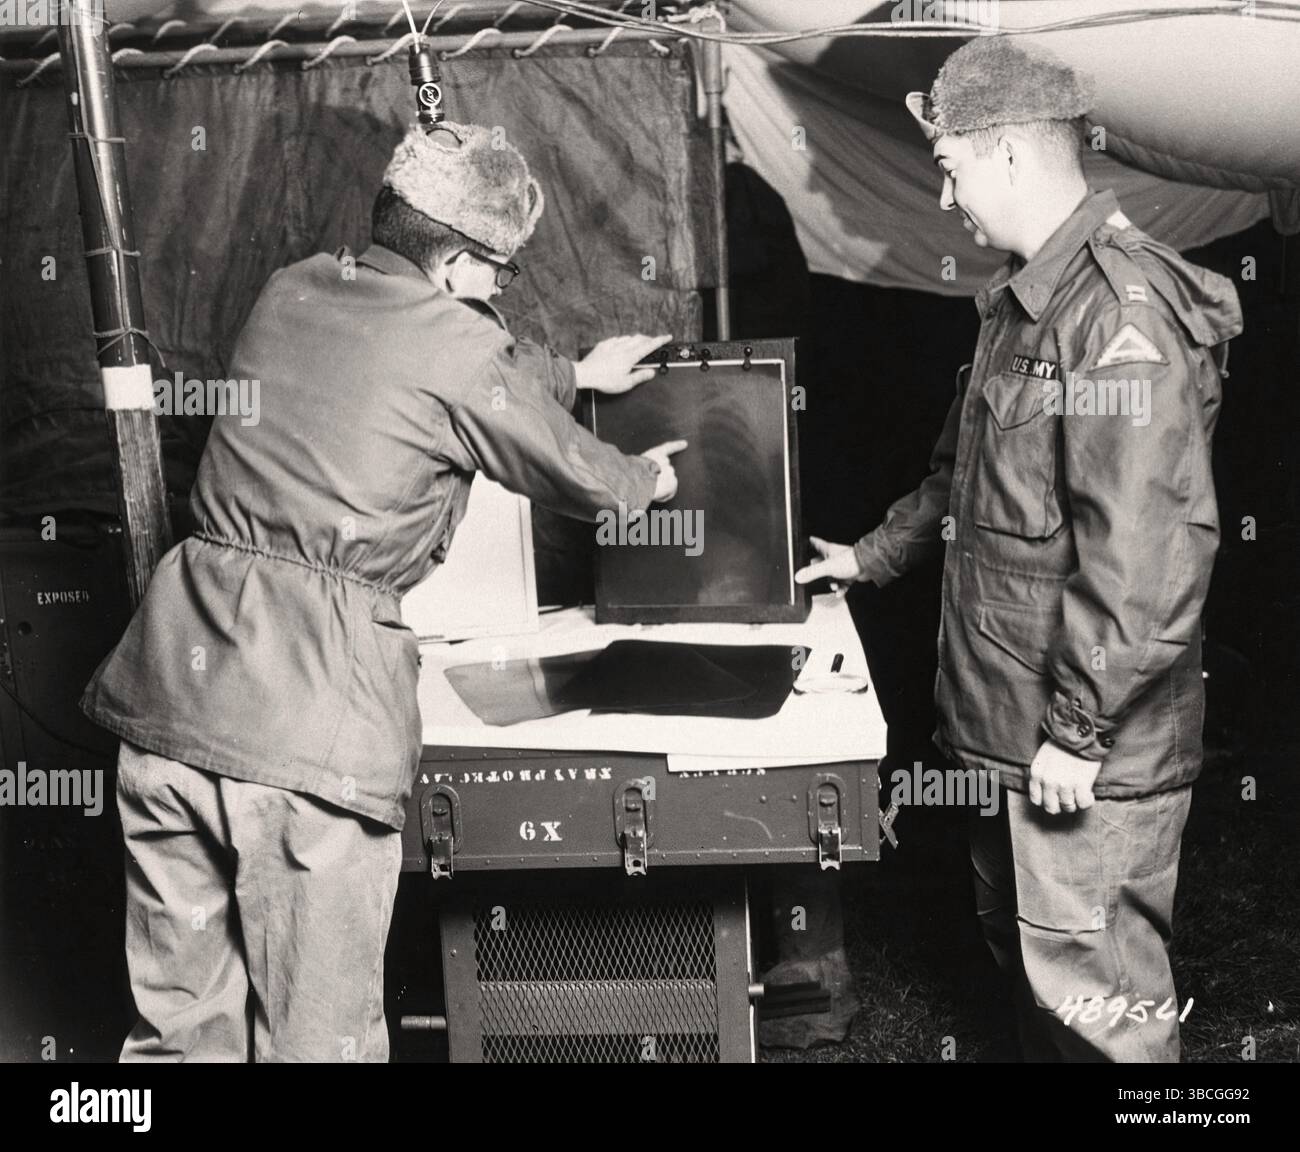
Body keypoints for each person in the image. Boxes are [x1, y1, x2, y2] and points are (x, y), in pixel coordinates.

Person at [81, 121, 686, 1062]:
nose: (499, 293)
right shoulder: (456, 342)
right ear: (455, 262)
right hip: (305, 727)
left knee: (176, 1034)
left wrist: (572, 373)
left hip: (169, 701)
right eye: (500, 273)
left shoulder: (293, 290)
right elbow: (583, 477)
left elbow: (412, 372)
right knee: (316, 1041)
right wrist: (651, 481)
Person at [796, 37, 1242, 1061]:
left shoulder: (1120, 313)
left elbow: (1150, 548)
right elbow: (963, 480)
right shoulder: (1020, 304)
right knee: (1039, 997)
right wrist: (867, 559)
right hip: (1009, 731)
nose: (946, 198)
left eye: (948, 167)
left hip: (1079, 753)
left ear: (1002, 153)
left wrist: (1080, 731)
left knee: (1102, 1027)